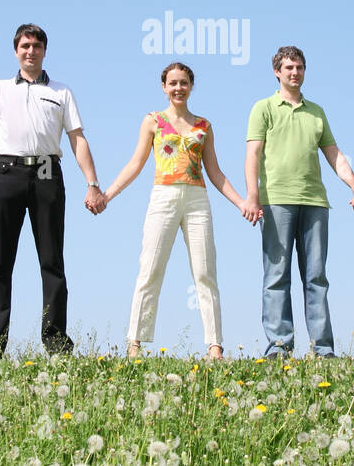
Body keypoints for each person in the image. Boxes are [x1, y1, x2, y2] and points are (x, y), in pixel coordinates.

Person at [0, 24, 107, 357]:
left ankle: (57, 341)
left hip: (47, 171)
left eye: (37, 46)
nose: (31, 51)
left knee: (52, 261)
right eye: (25, 46)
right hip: (8, 171)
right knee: (0, 263)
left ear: (45, 51)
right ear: (16, 51)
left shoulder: (61, 92)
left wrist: (92, 184)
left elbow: (77, 138)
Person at [104, 63, 257, 361]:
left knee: (205, 272)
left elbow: (215, 172)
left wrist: (242, 203)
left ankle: (215, 346)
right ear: (164, 86)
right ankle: (134, 343)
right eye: (172, 83)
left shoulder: (204, 125)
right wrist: (108, 194)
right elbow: (135, 164)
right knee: (150, 269)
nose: (178, 88)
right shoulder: (153, 121)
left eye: (184, 83)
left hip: (198, 198)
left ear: (191, 86)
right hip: (163, 196)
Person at [244, 46, 354, 359]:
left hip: (315, 202)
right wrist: (252, 196)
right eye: (288, 68)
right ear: (277, 72)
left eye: (299, 67)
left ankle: (323, 348)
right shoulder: (263, 108)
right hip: (275, 202)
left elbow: (335, 155)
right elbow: (253, 154)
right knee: (277, 276)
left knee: (316, 277)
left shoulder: (316, 112)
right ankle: (279, 346)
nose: (294, 73)